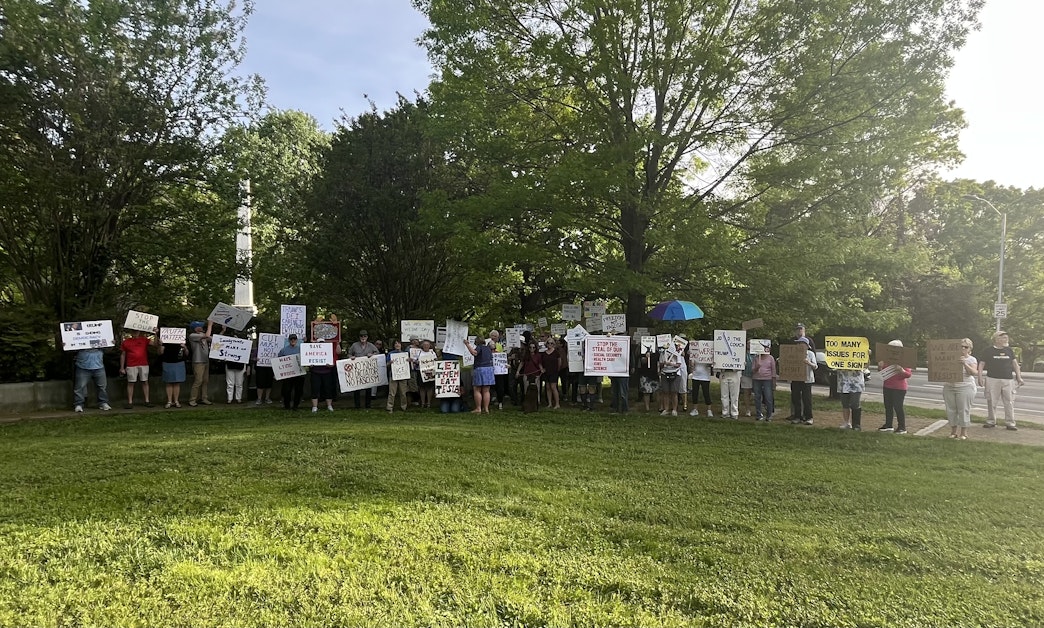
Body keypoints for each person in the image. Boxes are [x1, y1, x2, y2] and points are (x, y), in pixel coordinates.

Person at [977, 330, 1025, 430]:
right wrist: (980, 377)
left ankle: (1010, 423)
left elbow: (1015, 364)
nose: (1006, 339)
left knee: (1009, 401)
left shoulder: (1009, 350)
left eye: (1006, 337)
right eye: (1003, 337)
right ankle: (991, 421)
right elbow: (981, 364)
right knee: (991, 401)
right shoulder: (988, 351)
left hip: (1008, 380)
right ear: (997, 339)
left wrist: (1019, 377)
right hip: (992, 379)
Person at [945, 338, 977, 440]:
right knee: (951, 410)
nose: (963, 348)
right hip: (949, 386)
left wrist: (964, 363)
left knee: (963, 409)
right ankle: (953, 432)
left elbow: (973, 372)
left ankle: (964, 433)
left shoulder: (971, 359)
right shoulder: (948, 357)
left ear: (969, 349)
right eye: (961, 346)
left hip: (965, 387)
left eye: (965, 347)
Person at [878, 339, 913, 433]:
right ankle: (888, 425)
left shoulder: (904, 360)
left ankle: (902, 427)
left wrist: (901, 370)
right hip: (887, 386)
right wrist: (880, 367)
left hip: (899, 388)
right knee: (888, 406)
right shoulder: (886, 359)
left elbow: (908, 374)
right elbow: (882, 374)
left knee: (898, 407)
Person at [119, 329, 155, 408]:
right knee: (131, 383)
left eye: (137, 331)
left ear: (139, 332)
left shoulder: (144, 340)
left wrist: (156, 333)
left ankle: (147, 400)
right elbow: (123, 355)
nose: (135, 333)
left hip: (143, 364)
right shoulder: (126, 342)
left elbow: (155, 344)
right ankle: (130, 402)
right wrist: (122, 367)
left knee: (145, 381)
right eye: (134, 332)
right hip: (131, 365)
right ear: (131, 332)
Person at [73, 347, 112, 412]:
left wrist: (111, 344)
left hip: (99, 366)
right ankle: (78, 404)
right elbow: (72, 349)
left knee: (102, 387)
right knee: (79, 387)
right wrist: (67, 344)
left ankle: (103, 403)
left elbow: (107, 350)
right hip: (82, 366)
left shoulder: (100, 337)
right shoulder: (79, 338)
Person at [347, 330, 379, 409]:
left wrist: (372, 354)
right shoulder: (354, 345)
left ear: (367, 337)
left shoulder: (371, 345)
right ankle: (357, 406)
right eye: (361, 336)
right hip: (357, 370)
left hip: (367, 370)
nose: (363, 338)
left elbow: (377, 352)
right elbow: (349, 354)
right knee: (357, 389)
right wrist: (351, 357)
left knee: (368, 388)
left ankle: (368, 405)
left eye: (365, 336)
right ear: (359, 337)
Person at [788, 338, 817, 425]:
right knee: (795, 398)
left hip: (807, 380)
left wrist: (808, 363)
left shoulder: (810, 354)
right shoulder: (793, 353)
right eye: (798, 343)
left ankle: (809, 417)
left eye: (801, 343)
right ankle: (797, 417)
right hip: (796, 379)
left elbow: (815, 366)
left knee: (806, 399)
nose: (799, 345)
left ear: (806, 345)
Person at [465, 335, 495, 414]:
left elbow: (474, 353)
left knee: (477, 389)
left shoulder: (479, 347)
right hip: (489, 369)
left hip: (480, 369)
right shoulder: (488, 348)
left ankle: (478, 408)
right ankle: (486, 408)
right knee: (486, 390)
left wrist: (467, 344)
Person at [157, 330, 187, 408]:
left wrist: (185, 347)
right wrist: (160, 345)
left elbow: (187, 353)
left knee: (177, 383)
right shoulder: (164, 342)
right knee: (169, 383)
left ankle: (176, 401)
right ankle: (169, 401)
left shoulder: (181, 342)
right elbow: (160, 353)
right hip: (167, 363)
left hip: (178, 363)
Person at [187, 320, 214, 406]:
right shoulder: (192, 336)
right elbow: (207, 335)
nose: (202, 327)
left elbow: (215, 339)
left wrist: (223, 331)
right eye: (200, 326)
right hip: (198, 361)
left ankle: (204, 398)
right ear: (196, 328)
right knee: (198, 380)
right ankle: (192, 400)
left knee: (205, 380)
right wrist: (210, 325)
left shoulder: (203, 335)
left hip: (206, 360)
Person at [309, 338, 337, 413]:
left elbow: (333, 362)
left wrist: (331, 365)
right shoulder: (312, 351)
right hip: (315, 372)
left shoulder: (329, 350)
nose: (321, 344)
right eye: (319, 343)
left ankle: (329, 405)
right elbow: (308, 361)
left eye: (322, 342)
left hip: (327, 372)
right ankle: (315, 407)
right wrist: (309, 364)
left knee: (328, 390)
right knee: (315, 389)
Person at [278, 334, 305, 410]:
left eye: (294, 339)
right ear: (289, 340)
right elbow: (279, 360)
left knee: (298, 390)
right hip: (287, 374)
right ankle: (287, 406)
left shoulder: (301, 349)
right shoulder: (283, 350)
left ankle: (296, 406)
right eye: (291, 339)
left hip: (299, 374)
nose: (293, 340)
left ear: (296, 340)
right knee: (286, 390)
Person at [752, 343, 776, 421]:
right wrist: (757, 367)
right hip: (757, 379)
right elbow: (752, 370)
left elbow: (773, 370)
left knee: (768, 397)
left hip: (767, 380)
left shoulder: (770, 358)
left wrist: (774, 381)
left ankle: (769, 415)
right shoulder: (756, 358)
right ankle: (759, 414)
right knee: (757, 397)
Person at [688, 345, 713, 417]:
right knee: (695, 393)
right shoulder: (694, 355)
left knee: (706, 393)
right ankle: (695, 409)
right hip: (695, 376)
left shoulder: (707, 355)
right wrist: (691, 363)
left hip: (705, 377)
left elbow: (710, 364)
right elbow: (691, 366)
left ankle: (709, 410)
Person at [658, 343, 683, 416]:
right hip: (664, 373)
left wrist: (671, 364)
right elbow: (660, 364)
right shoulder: (662, 353)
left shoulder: (677, 353)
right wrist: (663, 364)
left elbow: (679, 364)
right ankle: (666, 409)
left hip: (675, 373)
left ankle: (674, 410)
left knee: (674, 392)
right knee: (665, 392)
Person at [386, 339, 410, 413]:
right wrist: (390, 362)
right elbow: (386, 365)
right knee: (392, 392)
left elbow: (410, 365)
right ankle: (389, 407)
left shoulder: (406, 354)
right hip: (393, 375)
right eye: (395, 343)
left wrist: (409, 361)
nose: (397, 345)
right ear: (393, 345)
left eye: (398, 343)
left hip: (403, 375)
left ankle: (404, 407)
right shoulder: (390, 354)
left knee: (403, 392)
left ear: (401, 345)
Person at [636, 341, 659, 412]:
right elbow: (642, 361)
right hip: (645, 373)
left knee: (657, 391)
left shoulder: (657, 352)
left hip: (655, 373)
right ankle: (647, 408)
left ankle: (659, 407)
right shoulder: (643, 352)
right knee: (646, 392)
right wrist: (646, 357)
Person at [415, 339, 438, 408]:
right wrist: (417, 362)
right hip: (421, 372)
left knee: (429, 388)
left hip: (430, 372)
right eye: (424, 345)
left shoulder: (432, 353)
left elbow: (436, 360)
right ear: (422, 346)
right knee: (422, 388)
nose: (426, 346)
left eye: (427, 345)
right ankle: (422, 403)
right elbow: (415, 361)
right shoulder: (419, 353)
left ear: (430, 346)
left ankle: (429, 403)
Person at [541, 338, 562, 409]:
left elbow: (559, 362)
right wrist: (542, 369)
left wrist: (557, 370)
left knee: (553, 387)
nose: (550, 344)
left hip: (554, 372)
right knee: (547, 388)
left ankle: (557, 404)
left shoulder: (556, 353)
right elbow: (541, 363)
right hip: (546, 372)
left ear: (554, 344)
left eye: (551, 343)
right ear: (546, 344)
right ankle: (549, 403)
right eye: (548, 343)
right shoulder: (544, 353)